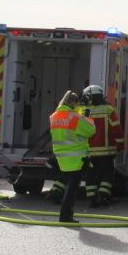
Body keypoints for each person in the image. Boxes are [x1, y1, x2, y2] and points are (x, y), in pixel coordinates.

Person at [49, 91, 95, 223]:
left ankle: (65, 215)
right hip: (76, 158)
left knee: (69, 186)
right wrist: (87, 118)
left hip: (62, 157)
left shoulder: (54, 116)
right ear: (73, 102)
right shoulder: (74, 117)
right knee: (72, 189)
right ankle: (65, 216)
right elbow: (91, 131)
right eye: (77, 104)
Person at [76, 85, 123, 207]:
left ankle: (92, 199)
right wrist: (120, 145)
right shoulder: (108, 109)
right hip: (106, 152)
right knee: (107, 175)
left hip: (88, 152)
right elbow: (116, 129)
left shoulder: (82, 110)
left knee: (90, 176)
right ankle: (103, 196)